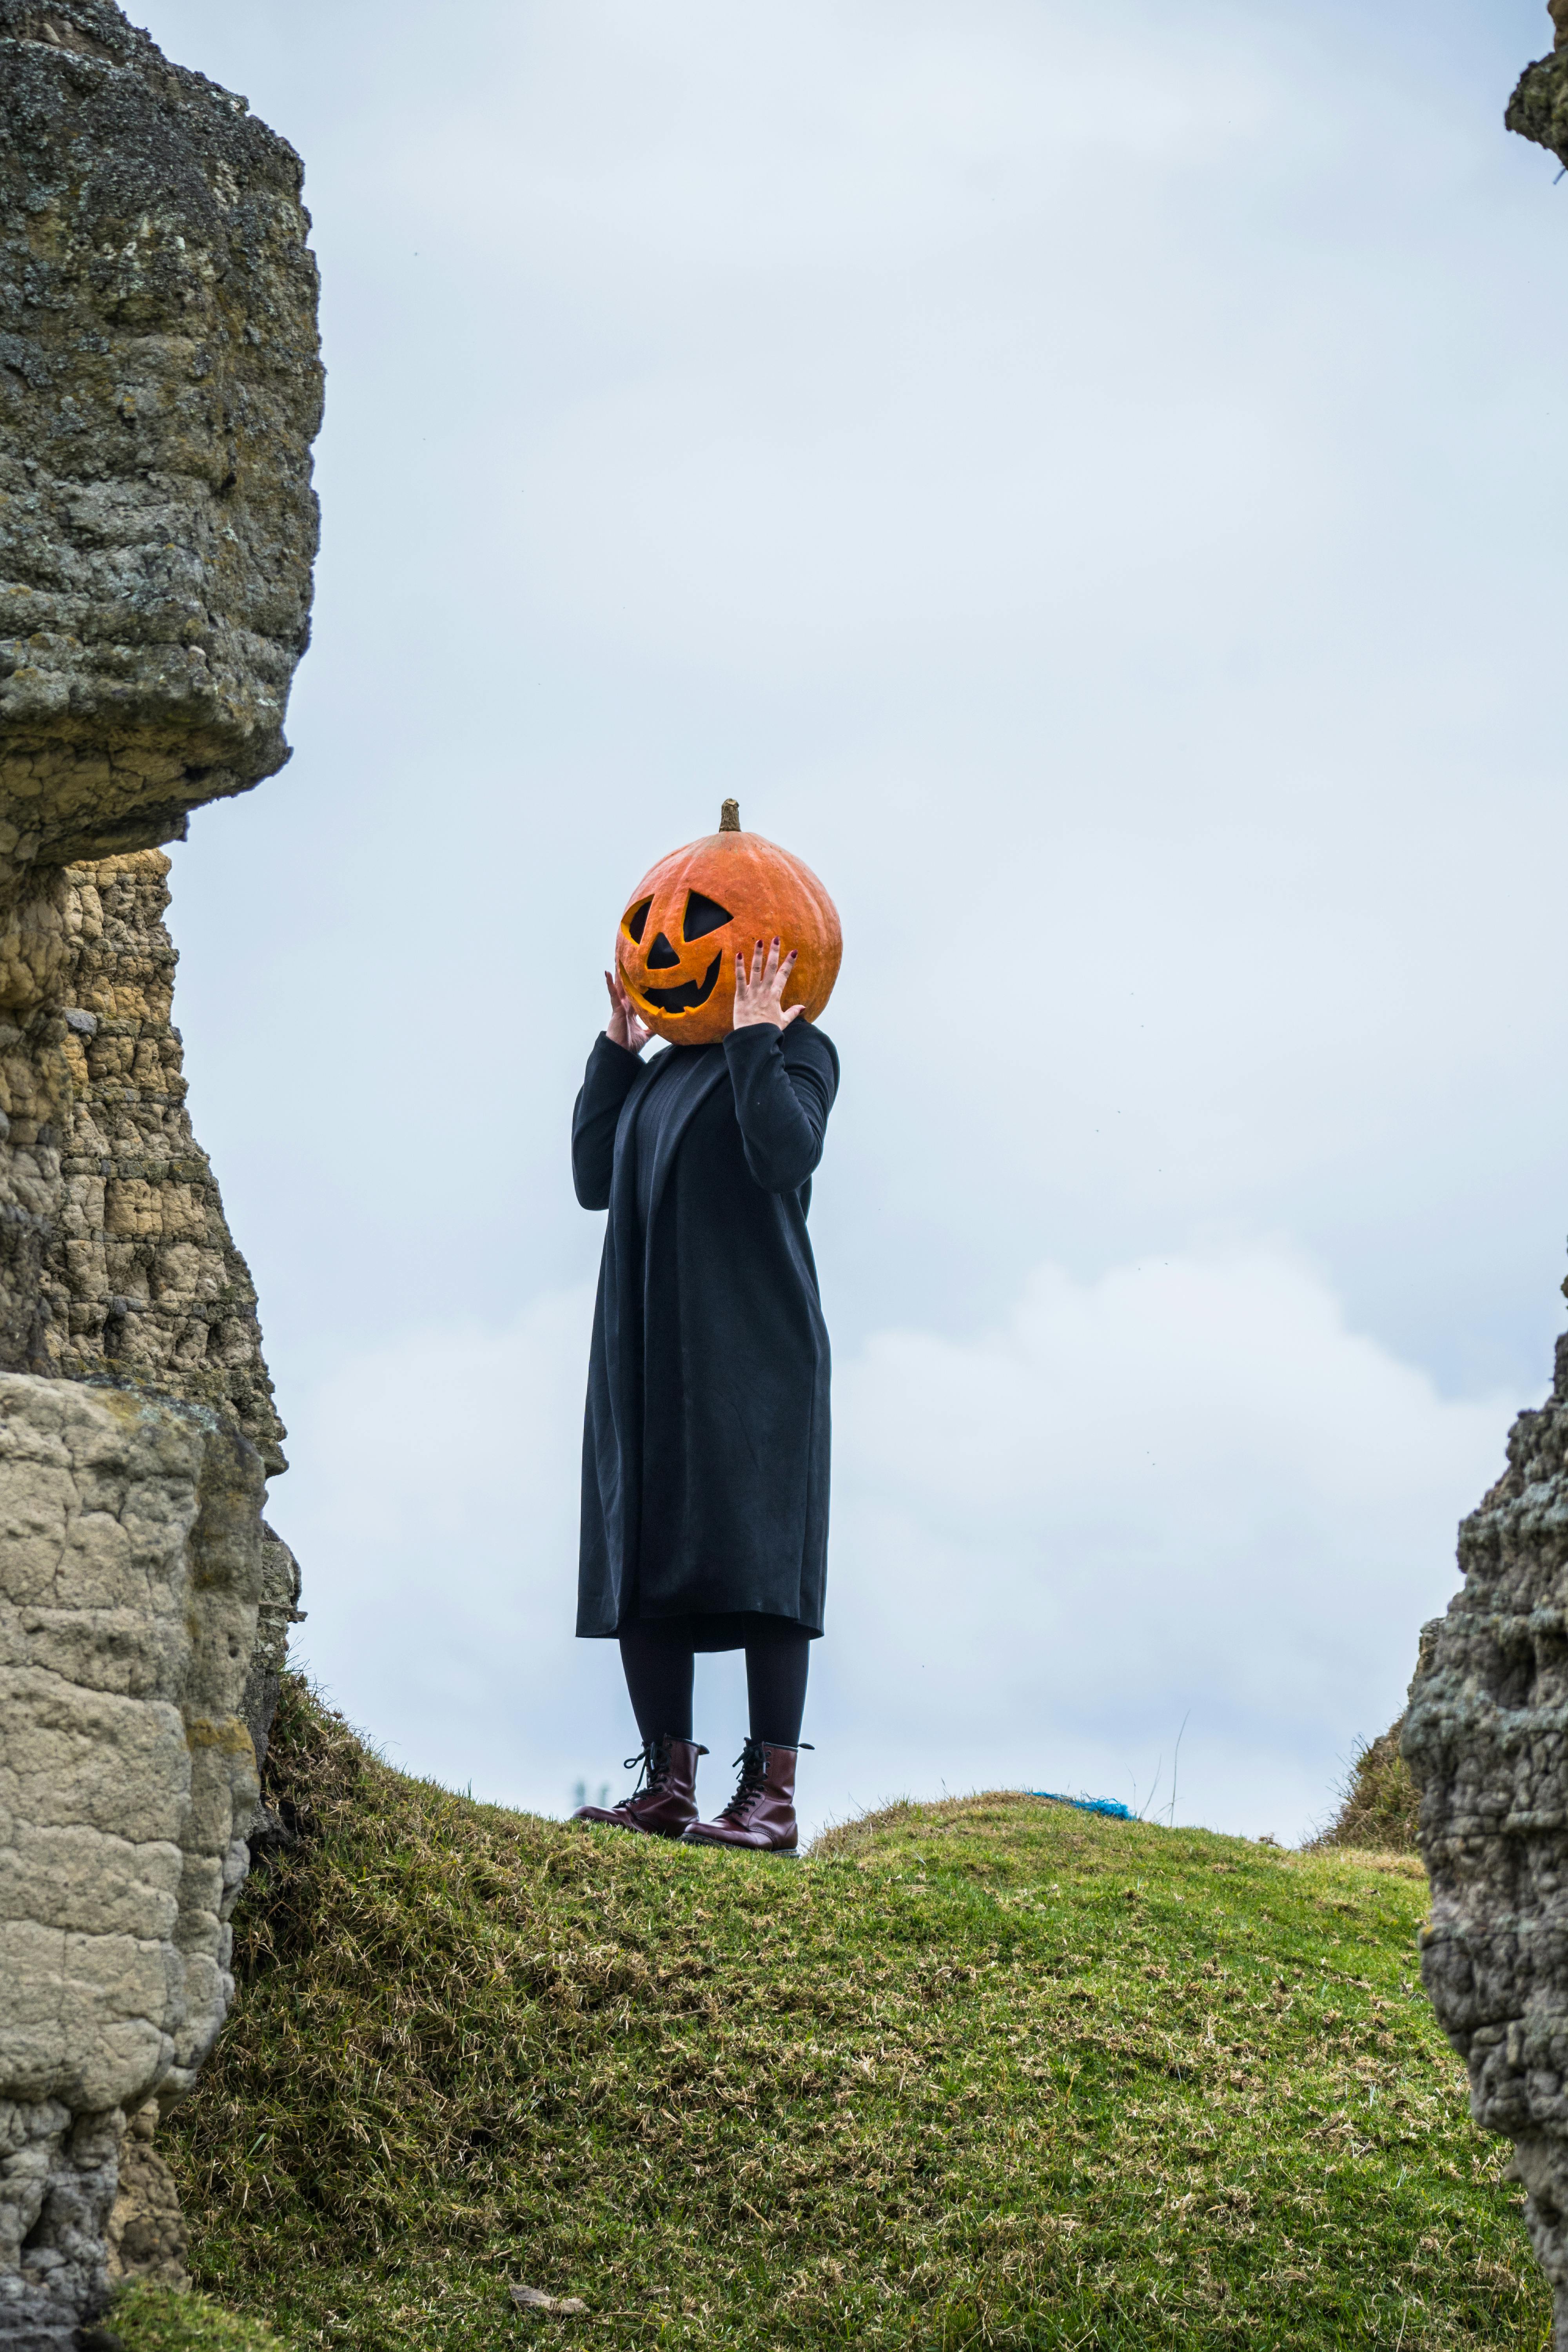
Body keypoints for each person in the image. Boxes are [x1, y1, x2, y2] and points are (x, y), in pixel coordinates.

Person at [570, 935, 838, 1855]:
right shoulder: (659, 1071)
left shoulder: (799, 1049)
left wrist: (756, 1039)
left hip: (753, 1344)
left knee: (762, 1556)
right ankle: (667, 1788)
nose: (672, 947)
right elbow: (589, 1180)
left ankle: (770, 1799)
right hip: (644, 1343)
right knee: (637, 1551)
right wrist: (616, 1052)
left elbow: (783, 1156)